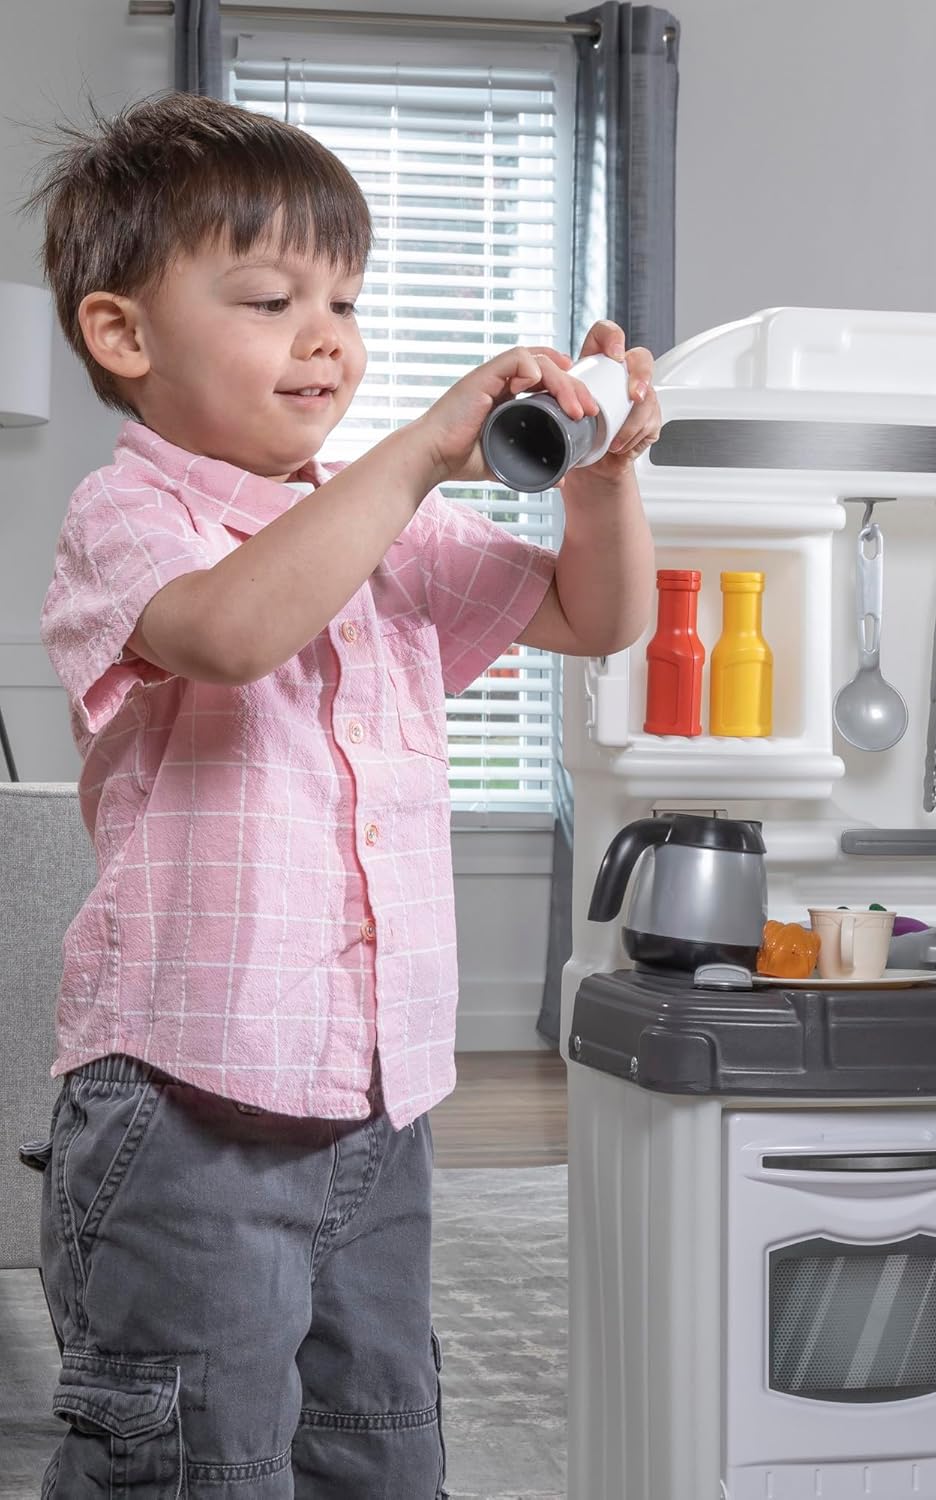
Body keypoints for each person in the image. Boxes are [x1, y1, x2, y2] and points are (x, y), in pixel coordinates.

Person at [22, 91, 658, 1497]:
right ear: (124, 335)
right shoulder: (131, 519)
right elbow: (236, 631)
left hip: (374, 1104)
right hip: (187, 1111)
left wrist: (604, 479)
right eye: (268, 298)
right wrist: (423, 447)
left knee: (377, 1442)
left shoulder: (389, 524)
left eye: (347, 299)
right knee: (195, 1455)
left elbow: (595, 616)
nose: (328, 335)